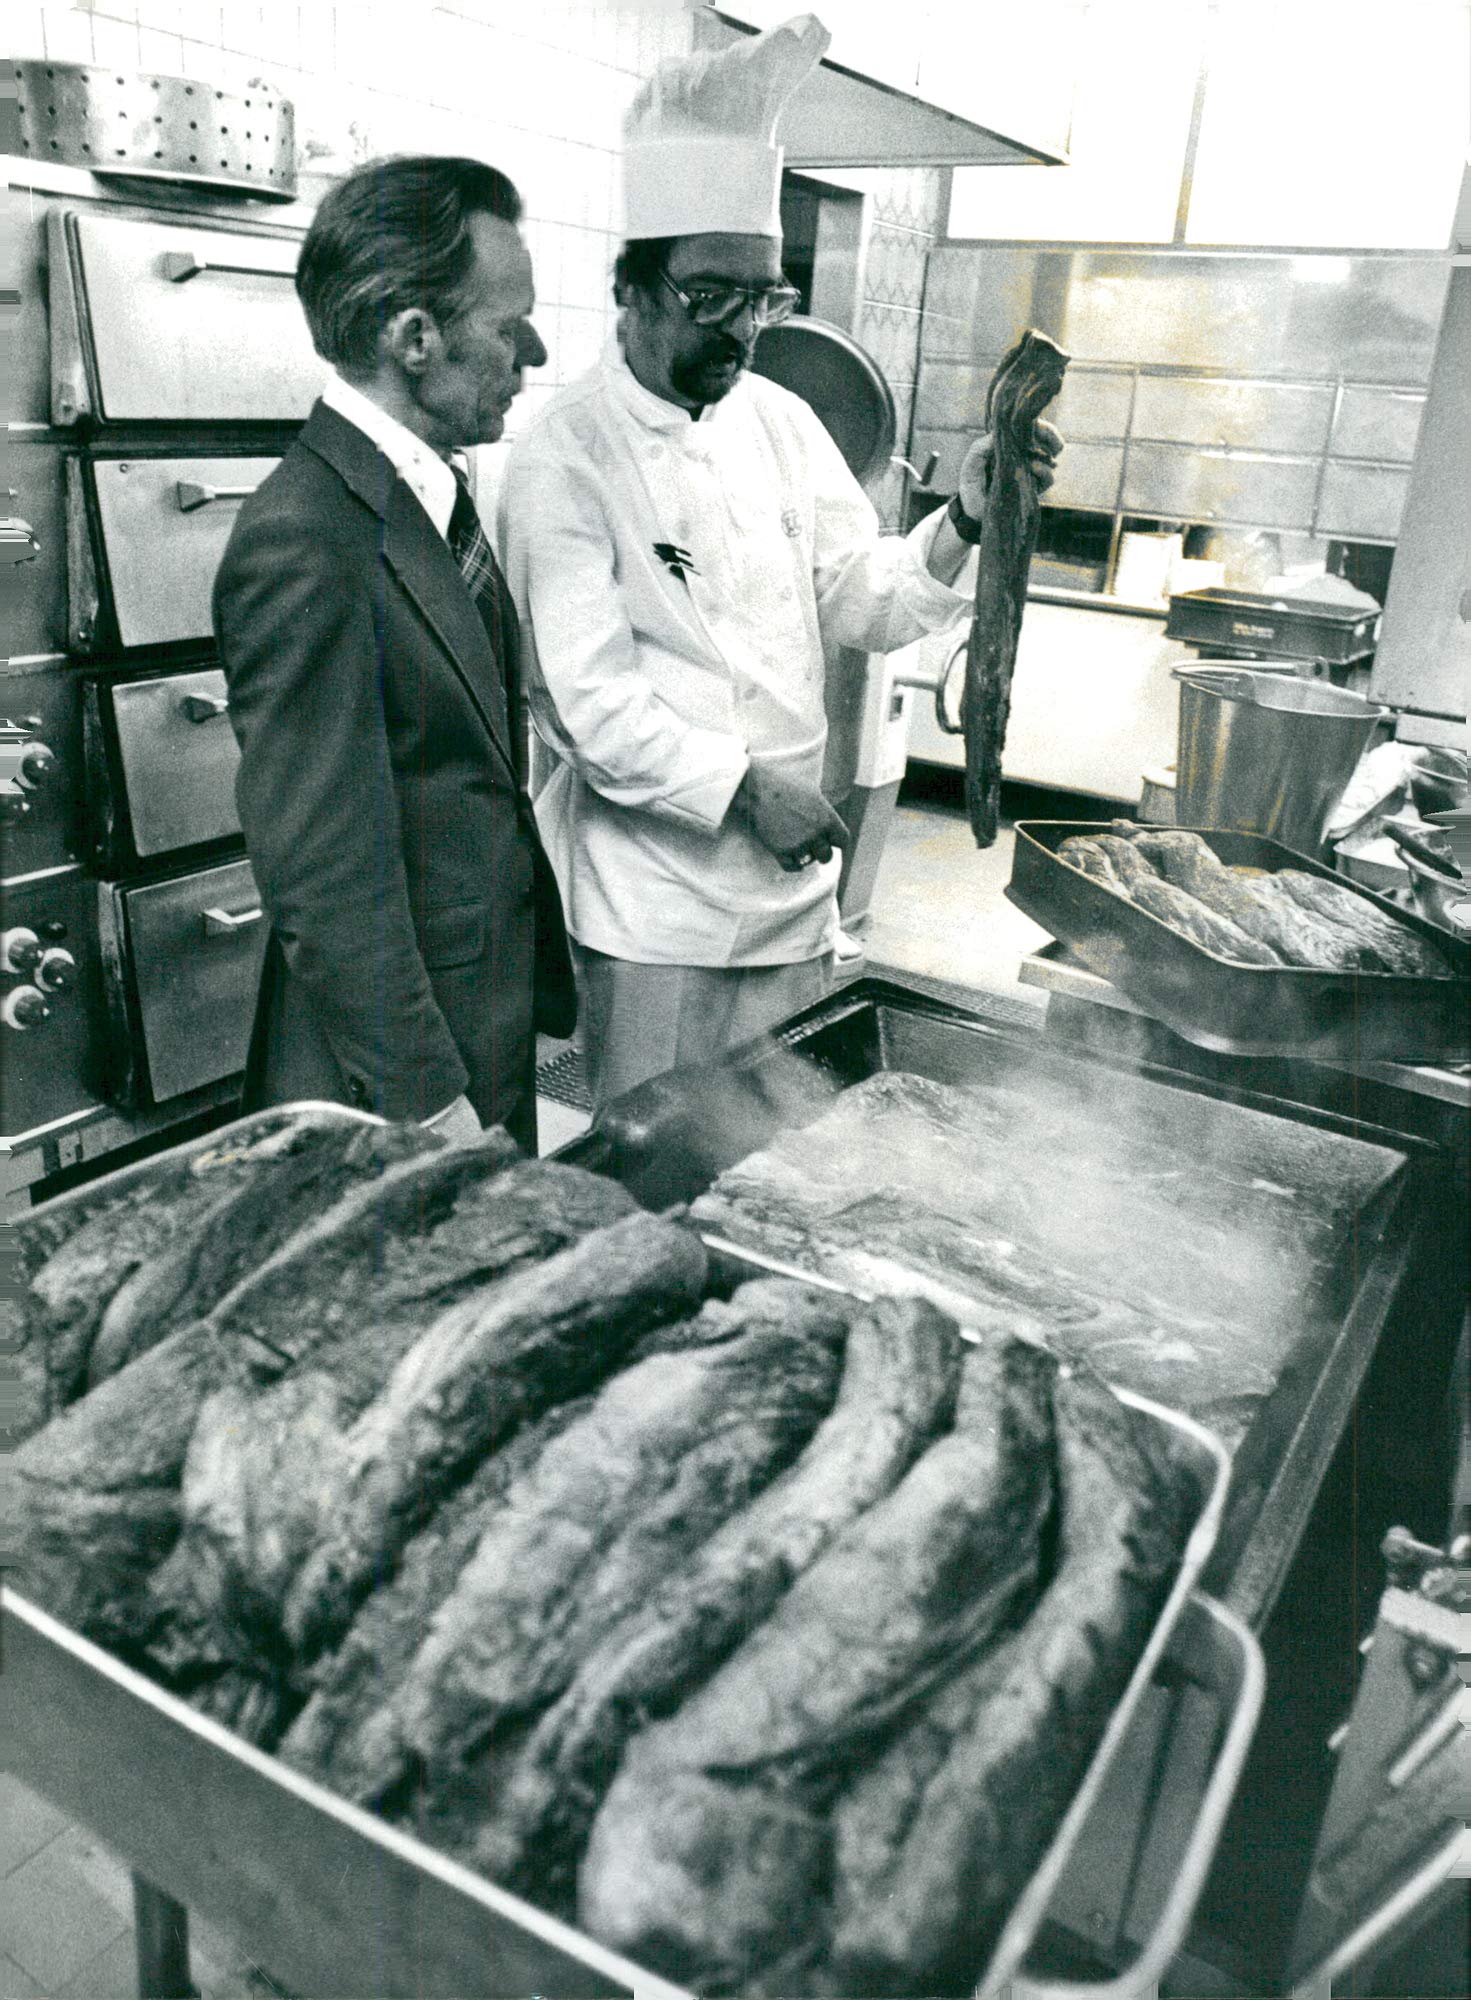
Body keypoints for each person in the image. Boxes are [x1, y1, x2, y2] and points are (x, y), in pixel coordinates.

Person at [501, 16, 1059, 1112]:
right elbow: (587, 707)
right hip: (654, 916)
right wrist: (750, 791)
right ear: (636, 288)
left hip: (792, 909)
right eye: (712, 297)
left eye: (762, 298)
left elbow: (865, 594)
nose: (742, 331)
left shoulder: (779, 419)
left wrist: (968, 514)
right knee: (654, 1171)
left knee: (788, 1163)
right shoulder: (565, 454)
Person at [214, 154, 574, 1154]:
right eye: (509, 322)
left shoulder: (429, 495)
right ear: (415, 337)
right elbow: (323, 874)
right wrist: (431, 1107)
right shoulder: (307, 535)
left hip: (475, 1020)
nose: (531, 350)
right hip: (395, 1080)